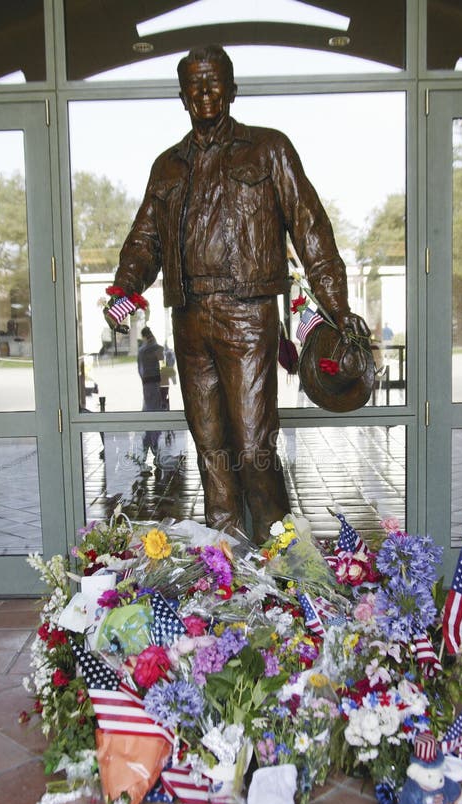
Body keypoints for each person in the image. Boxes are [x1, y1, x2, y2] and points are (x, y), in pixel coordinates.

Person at [107, 44, 358, 543]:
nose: (204, 92)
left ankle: (282, 557)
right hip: (189, 319)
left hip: (248, 315)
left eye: (214, 81)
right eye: (195, 84)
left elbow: (310, 228)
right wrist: (125, 285)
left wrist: (338, 307)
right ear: (182, 97)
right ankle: (224, 563)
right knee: (211, 447)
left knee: (252, 444)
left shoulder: (268, 149)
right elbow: (144, 240)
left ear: (232, 89)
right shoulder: (167, 167)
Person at [137, 326, 164, 470]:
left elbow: (140, 370)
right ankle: (154, 449)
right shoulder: (154, 348)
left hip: (148, 386)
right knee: (154, 417)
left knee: (149, 416)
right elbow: (165, 362)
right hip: (154, 385)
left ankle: (147, 451)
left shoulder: (143, 350)